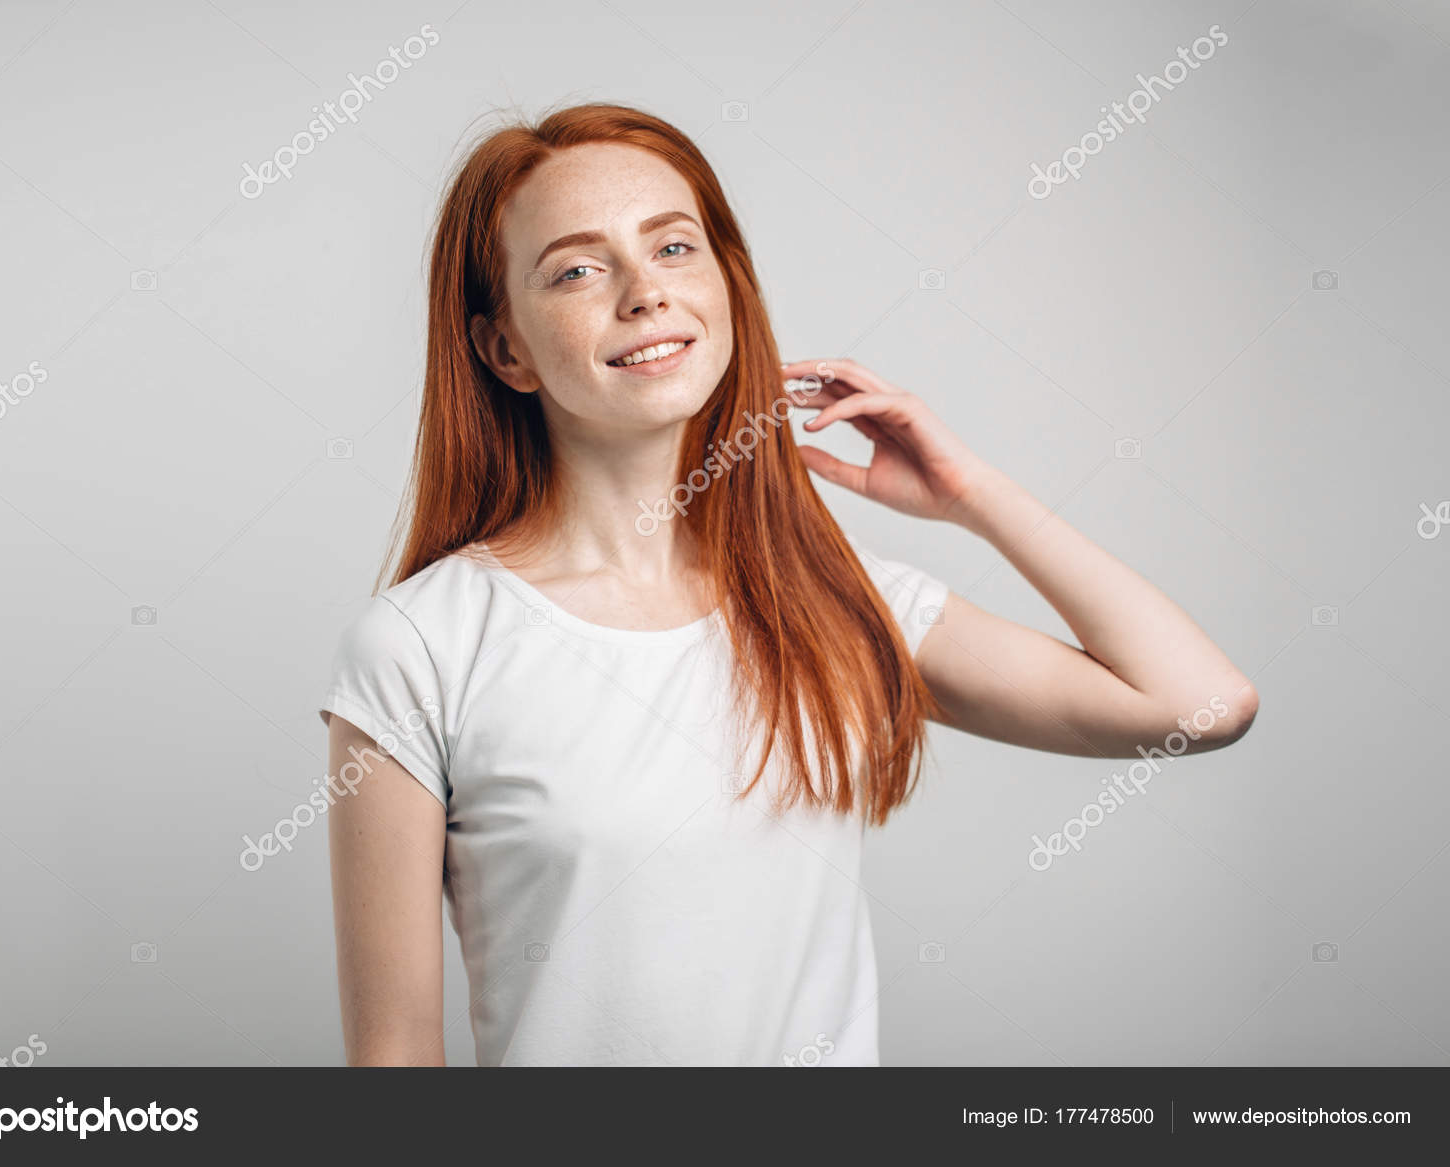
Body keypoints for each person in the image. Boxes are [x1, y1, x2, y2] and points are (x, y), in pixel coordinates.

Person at [318, 102, 1258, 1067]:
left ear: (728, 284)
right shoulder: (421, 645)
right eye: (577, 269)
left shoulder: (835, 600)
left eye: (675, 247)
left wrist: (972, 494)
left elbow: (1204, 704)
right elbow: (393, 1062)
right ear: (505, 348)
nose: (645, 293)